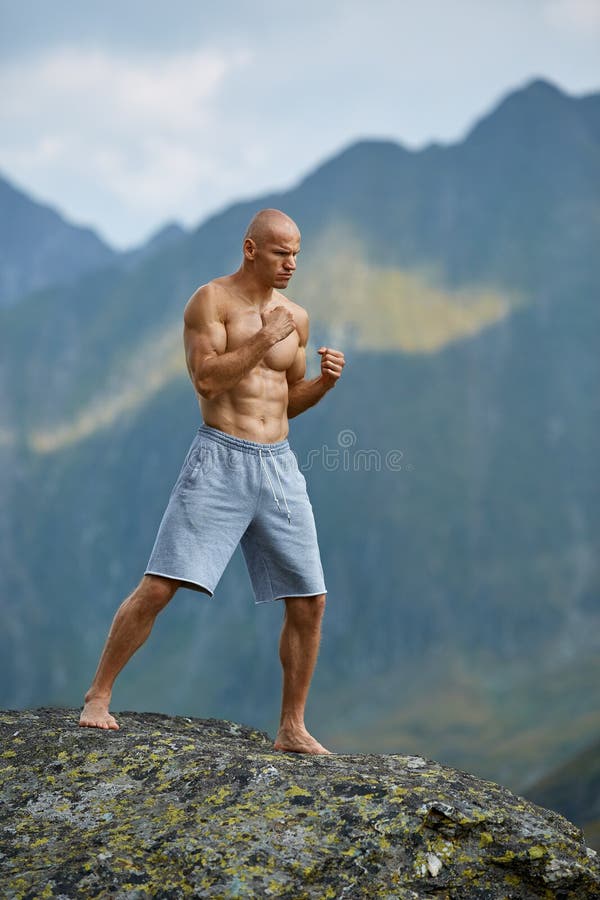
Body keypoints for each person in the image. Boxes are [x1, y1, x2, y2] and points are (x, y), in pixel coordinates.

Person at [79, 208, 345, 754]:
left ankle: (292, 727)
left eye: (296, 254)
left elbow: (284, 401)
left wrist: (322, 384)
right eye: (281, 253)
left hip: (278, 465)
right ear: (251, 249)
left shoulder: (297, 316)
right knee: (160, 584)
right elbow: (206, 379)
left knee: (309, 600)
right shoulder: (211, 302)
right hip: (220, 458)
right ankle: (98, 696)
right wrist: (263, 338)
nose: (291, 264)